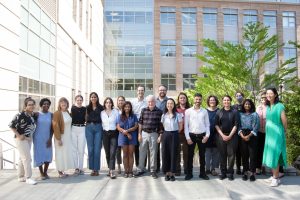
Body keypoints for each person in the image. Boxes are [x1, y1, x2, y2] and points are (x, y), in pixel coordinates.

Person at [263, 88, 287, 187]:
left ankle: (276, 179)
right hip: (269, 134)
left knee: (275, 155)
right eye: (267, 93)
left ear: (276, 94)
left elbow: (284, 121)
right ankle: (274, 176)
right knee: (270, 155)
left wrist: (284, 132)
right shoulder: (268, 106)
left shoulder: (279, 106)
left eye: (271, 93)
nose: (268, 95)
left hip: (277, 134)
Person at [9, 97, 37, 185]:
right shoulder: (20, 114)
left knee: (22, 158)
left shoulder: (32, 115)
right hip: (21, 139)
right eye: (29, 105)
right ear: (25, 106)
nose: (31, 106)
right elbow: (11, 125)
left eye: (32, 104)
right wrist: (19, 135)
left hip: (28, 139)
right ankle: (28, 177)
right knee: (27, 158)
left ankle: (21, 177)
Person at [134, 95, 163, 179]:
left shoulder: (159, 111)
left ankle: (153, 170)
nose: (150, 103)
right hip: (144, 133)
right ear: (147, 102)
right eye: (149, 101)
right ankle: (140, 170)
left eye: (152, 101)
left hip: (154, 133)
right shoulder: (143, 110)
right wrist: (139, 134)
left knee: (153, 152)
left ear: (155, 102)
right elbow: (140, 123)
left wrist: (160, 136)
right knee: (142, 152)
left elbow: (161, 125)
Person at [184, 93, 210, 180]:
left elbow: (207, 125)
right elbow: (186, 126)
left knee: (202, 156)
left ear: (201, 100)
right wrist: (187, 138)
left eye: (199, 99)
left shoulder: (204, 111)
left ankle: (202, 173)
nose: (198, 101)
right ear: (193, 100)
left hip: (202, 136)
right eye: (196, 99)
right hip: (191, 135)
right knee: (190, 155)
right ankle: (189, 173)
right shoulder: (188, 111)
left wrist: (207, 136)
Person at [215, 95, 239, 181]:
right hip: (221, 136)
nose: (226, 102)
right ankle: (223, 172)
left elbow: (236, 125)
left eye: (228, 100)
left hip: (232, 136)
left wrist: (229, 136)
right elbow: (216, 125)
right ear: (222, 102)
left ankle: (230, 172)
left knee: (231, 155)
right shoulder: (219, 112)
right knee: (222, 155)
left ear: (230, 101)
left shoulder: (235, 112)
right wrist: (222, 135)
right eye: (224, 100)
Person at [161, 98, 183, 181]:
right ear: (166, 105)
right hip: (166, 135)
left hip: (175, 135)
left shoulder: (178, 115)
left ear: (174, 105)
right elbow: (163, 126)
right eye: (168, 103)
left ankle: (173, 173)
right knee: (165, 154)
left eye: (171, 103)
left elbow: (180, 126)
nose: (169, 105)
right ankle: (167, 173)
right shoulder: (164, 115)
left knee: (174, 154)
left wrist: (174, 132)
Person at [53, 97, 74, 178]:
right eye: (61, 102)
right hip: (61, 137)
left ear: (67, 104)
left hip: (67, 137)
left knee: (64, 153)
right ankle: (60, 171)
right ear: (59, 104)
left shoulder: (67, 112)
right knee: (59, 153)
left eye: (65, 102)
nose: (63, 104)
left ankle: (63, 170)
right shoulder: (57, 113)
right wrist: (58, 139)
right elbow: (55, 126)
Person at [238, 99, 259, 182]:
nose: (247, 105)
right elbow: (238, 125)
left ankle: (252, 173)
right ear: (243, 105)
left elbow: (256, 127)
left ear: (251, 105)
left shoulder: (255, 114)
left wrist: (249, 135)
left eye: (249, 104)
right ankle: (245, 172)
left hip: (252, 135)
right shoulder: (240, 114)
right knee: (244, 155)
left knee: (252, 155)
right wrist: (242, 136)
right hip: (242, 134)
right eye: (246, 104)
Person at [117, 101, 138, 178]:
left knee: (131, 154)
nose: (127, 108)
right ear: (123, 108)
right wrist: (126, 133)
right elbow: (118, 127)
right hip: (123, 136)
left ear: (130, 108)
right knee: (125, 155)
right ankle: (126, 171)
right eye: (125, 107)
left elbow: (136, 126)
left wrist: (128, 131)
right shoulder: (120, 116)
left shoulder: (134, 116)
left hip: (132, 136)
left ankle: (130, 171)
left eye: (128, 107)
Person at [33, 98, 53, 180]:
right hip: (38, 138)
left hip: (47, 137)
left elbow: (52, 128)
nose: (46, 105)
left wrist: (50, 138)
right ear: (41, 105)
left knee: (48, 154)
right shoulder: (37, 114)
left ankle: (45, 172)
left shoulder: (51, 115)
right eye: (44, 104)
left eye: (48, 104)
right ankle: (41, 173)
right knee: (39, 154)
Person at [85, 92, 104, 176]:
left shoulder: (101, 108)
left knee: (97, 149)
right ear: (90, 98)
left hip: (98, 128)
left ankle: (96, 169)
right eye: (92, 97)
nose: (93, 98)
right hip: (89, 128)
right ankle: (92, 169)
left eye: (95, 97)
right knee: (90, 149)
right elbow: (84, 118)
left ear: (97, 98)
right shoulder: (87, 108)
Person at [101, 97, 119, 179]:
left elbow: (118, 122)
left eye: (109, 102)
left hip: (113, 133)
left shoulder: (115, 112)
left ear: (112, 103)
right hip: (105, 134)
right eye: (106, 102)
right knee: (107, 153)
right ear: (104, 104)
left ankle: (111, 171)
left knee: (112, 153)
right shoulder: (102, 113)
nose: (108, 104)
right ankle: (110, 169)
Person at [131, 85, 147, 167]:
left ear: (144, 91)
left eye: (142, 90)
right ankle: (138, 165)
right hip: (135, 126)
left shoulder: (147, 102)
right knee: (136, 146)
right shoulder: (133, 101)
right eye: (139, 90)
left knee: (144, 146)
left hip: (144, 126)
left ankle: (143, 165)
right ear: (137, 91)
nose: (140, 92)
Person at [71, 95, 86, 175]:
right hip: (73, 128)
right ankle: (76, 168)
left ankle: (80, 168)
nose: (79, 101)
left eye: (80, 100)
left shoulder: (84, 109)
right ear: (75, 100)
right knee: (74, 149)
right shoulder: (72, 108)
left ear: (82, 101)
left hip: (82, 129)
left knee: (81, 149)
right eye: (78, 100)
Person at [175, 92, 190, 176]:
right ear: (178, 99)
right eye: (181, 98)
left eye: (184, 98)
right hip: (177, 134)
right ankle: (177, 170)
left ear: (186, 99)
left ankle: (186, 169)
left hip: (186, 134)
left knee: (186, 153)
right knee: (177, 152)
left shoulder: (190, 109)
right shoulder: (176, 109)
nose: (182, 99)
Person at [205, 95, 220, 176]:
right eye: (210, 100)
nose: (212, 101)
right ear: (208, 101)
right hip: (207, 135)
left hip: (217, 135)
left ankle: (215, 170)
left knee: (216, 154)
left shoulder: (219, 111)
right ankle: (207, 169)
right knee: (207, 153)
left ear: (216, 101)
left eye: (214, 100)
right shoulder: (204, 111)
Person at [156, 84, 168, 173]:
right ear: (158, 91)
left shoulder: (169, 101)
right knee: (155, 149)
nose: (162, 91)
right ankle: (156, 167)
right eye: (160, 90)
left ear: (166, 91)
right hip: (155, 127)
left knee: (165, 149)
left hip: (166, 127)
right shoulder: (154, 100)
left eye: (163, 90)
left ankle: (165, 168)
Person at [233, 91, 244, 175]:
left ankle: (245, 167)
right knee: (237, 151)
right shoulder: (233, 107)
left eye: (240, 95)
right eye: (237, 96)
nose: (238, 97)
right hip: (235, 131)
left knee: (244, 150)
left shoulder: (246, 105)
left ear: (243, 96)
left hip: (245, 131)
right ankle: (238, 168)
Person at [256, 92, 267, 175]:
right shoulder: (258, 108)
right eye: (262, 98)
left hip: (268, 132)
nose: (263, 100)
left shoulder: (270, 107)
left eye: (265, 98)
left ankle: (267, 166)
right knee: (259, 150)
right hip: (259, 131)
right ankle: (258, 167)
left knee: (267, 150)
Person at [115, 96, 125, 174]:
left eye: (122, 100)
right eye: (119, 100)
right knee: (118, 150)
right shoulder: (114, 110)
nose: (120, 102)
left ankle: (126, 166)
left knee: (125, 150)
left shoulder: (127, 109)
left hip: (125, 131)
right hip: (116, 131)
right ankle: (118, 166)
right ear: (117, 102)